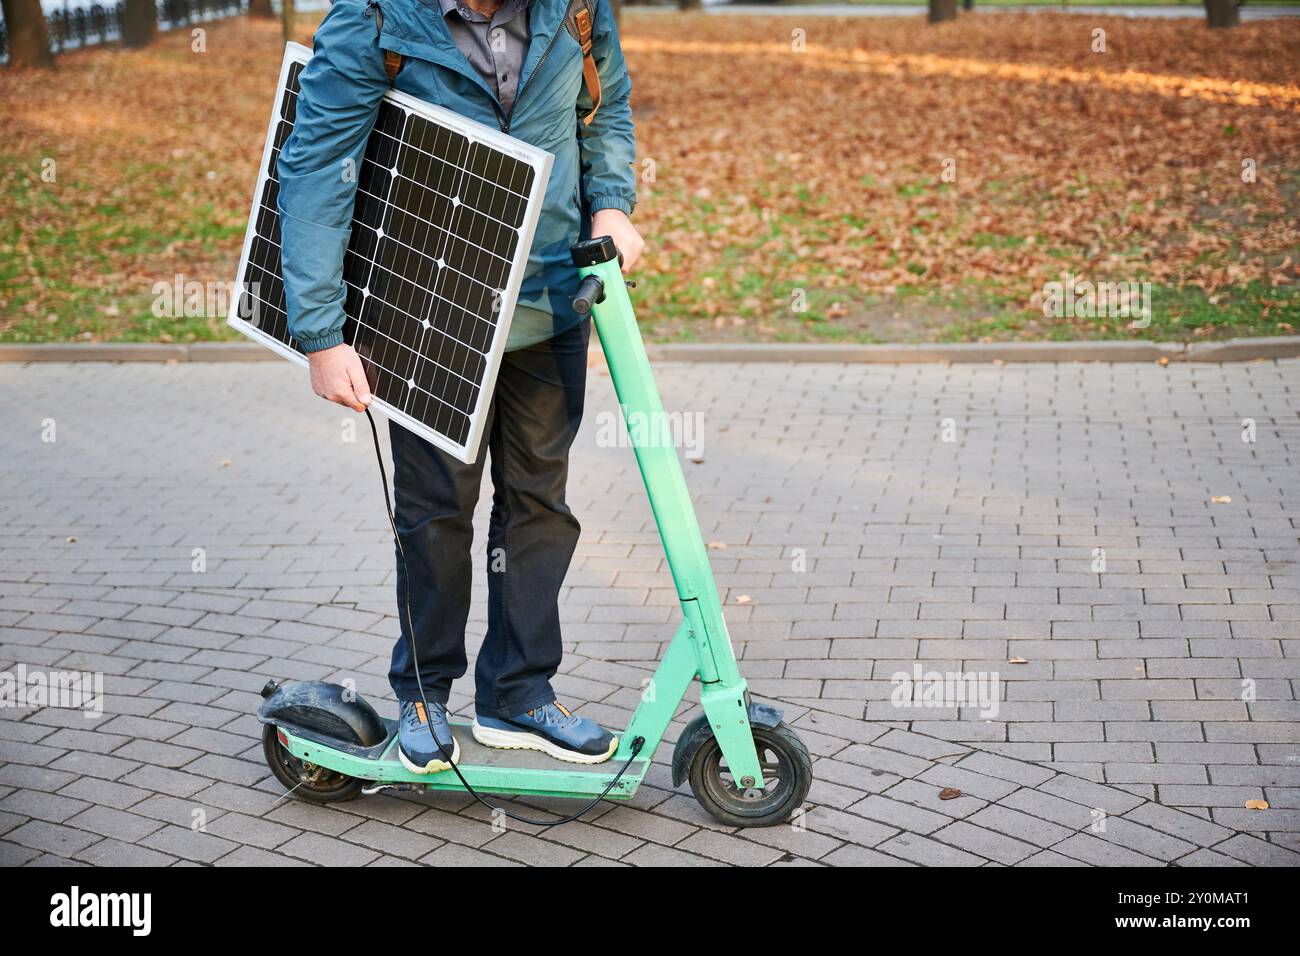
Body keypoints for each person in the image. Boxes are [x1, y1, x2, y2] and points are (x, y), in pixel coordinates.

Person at [276, 0, 643, 771]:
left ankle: (519, 693)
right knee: (438, 510)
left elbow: (603, 112)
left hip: (549, 302)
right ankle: (422, 691)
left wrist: (611, 203)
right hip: (430, 313)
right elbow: (317, 164)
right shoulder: (375, 19)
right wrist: (321, 332)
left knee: (541, 505)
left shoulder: (575, 8)